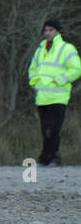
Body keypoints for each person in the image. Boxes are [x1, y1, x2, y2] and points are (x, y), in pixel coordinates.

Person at [27, 17, 81, 166]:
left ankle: (48, 157)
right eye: (45, 30)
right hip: (42, 96)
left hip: (58, 96)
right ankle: (52, 157)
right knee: (45, 129)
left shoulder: (67, 48)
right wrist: (34, 82)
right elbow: (32, 68)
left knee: (53, 129)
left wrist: (60, 79)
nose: (47, 33)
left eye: (50, 30)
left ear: (57, 32)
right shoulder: (40, 49)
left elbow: (76, 69)